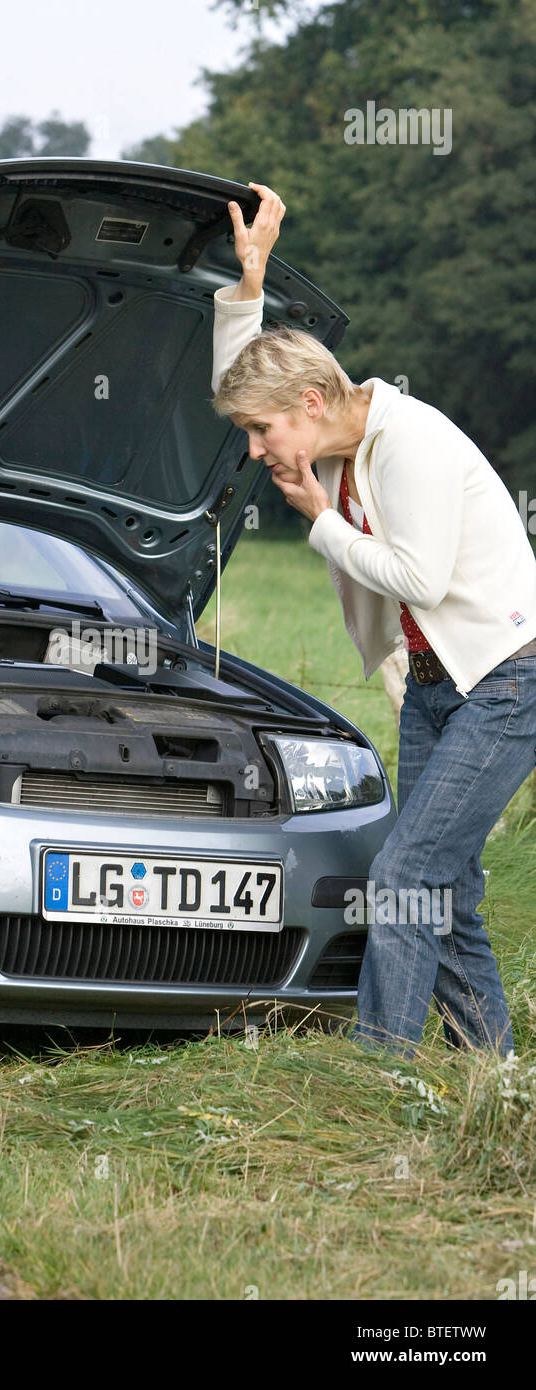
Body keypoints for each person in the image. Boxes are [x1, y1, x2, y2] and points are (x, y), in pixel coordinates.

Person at [210, 183, 536, 1058]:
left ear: (312, 405)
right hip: (435, 689)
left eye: (262, 431)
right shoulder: (331, 434)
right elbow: (246, 386)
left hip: (504, 684)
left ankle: (380, 1070)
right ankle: (491, 1076)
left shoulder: (411, 444)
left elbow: (421, 579)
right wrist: (250, 282)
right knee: (446, 889)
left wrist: (322, 522)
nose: (254, 450)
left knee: (402, 878)